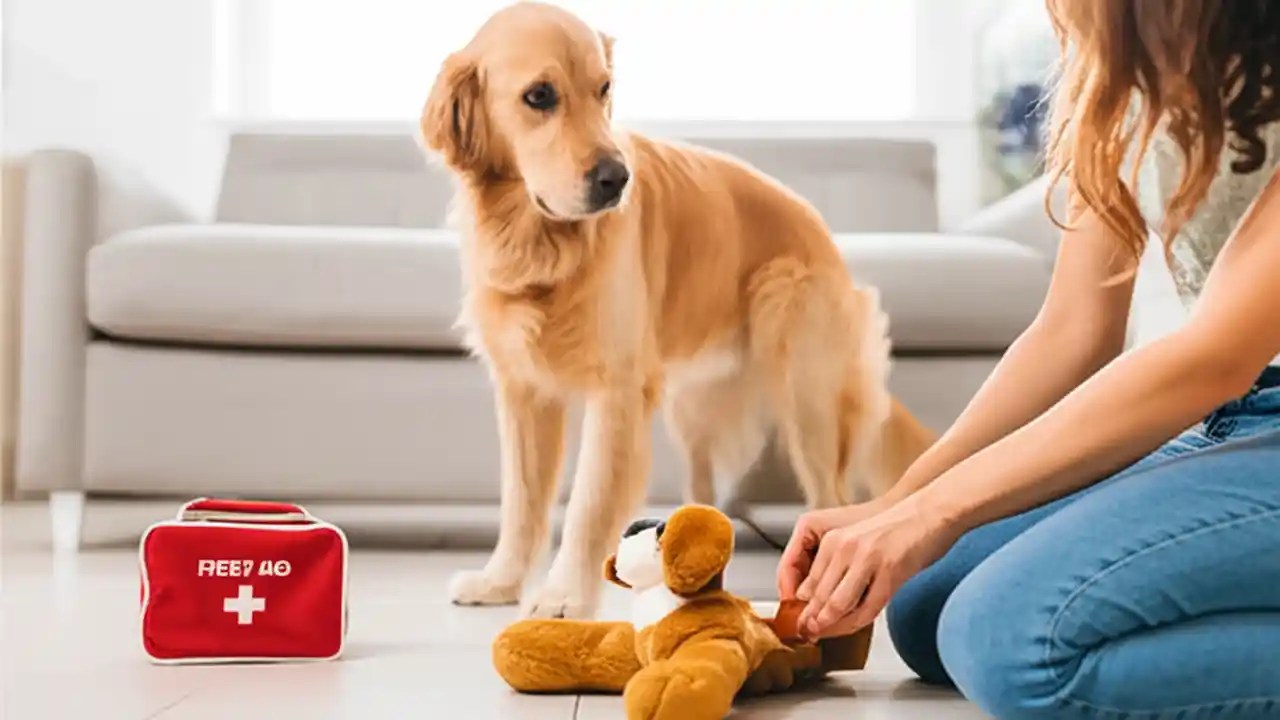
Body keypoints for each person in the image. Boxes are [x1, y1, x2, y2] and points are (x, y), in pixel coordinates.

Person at [776, 2, 1280, 718]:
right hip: (1247, 418)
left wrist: (938, 510)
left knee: (1014, 644)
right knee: (923, 604)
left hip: (1244, 404)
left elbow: (1214, 356)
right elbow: (1075, 329)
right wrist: (901, 504)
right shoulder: (1124, 63)